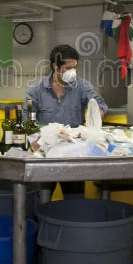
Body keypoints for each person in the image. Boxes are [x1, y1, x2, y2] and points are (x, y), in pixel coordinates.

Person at [25, 44, 108, 197]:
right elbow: (26, 119)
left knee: (74, 202)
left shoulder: (81, 86)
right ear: (55, 67)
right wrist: (36, 136)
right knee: (40, 200)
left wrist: (96, 116)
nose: (73, 72)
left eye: (75, 67)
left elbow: (100, 104)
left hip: (72, 155)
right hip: (45, 156)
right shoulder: (36, 90)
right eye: (68, 68)